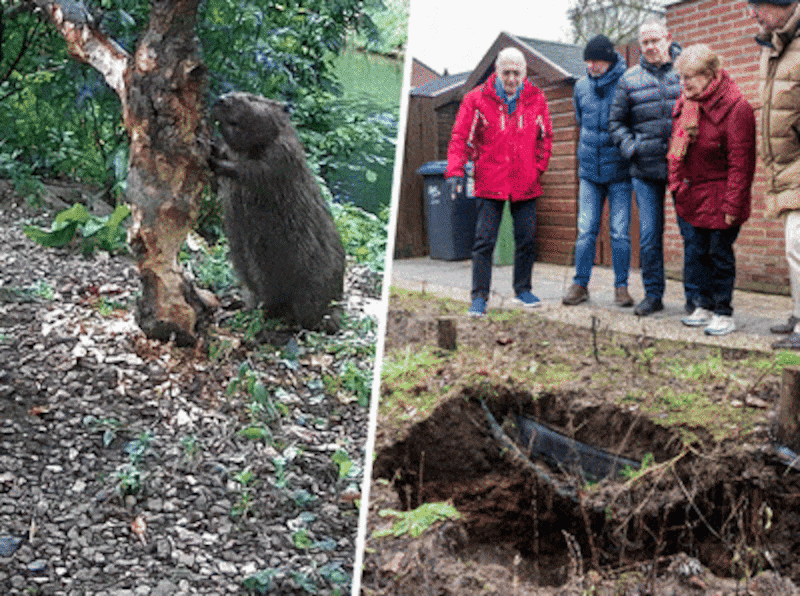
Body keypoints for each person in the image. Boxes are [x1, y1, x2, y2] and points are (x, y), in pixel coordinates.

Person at [445, 46, 553, 317]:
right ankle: (479, 297)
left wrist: (538, 167)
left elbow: (545, 137)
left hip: (525, 181)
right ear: (497, 72)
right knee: (484, 241)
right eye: (506, 72)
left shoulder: (536, 98)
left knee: (527, 239)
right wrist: (456, 171)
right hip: (490, 180)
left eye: (517, 73)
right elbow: (461, 138)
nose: (512, 79)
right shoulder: (476, 99)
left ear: (525, 73)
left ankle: (523, 290)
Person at [667, 44, 756, 336]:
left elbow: (741, 164)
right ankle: (703, 305)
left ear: (710, 75)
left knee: (720, 255)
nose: (685, 83)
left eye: (691, 77)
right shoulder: (689, 103)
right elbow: (676, 150)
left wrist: (733, 205)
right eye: (682, 78)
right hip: (694, 196)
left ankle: (723, 312)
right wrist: (677, 187)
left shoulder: (736, 107)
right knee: (697, 254)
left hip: (722, 195)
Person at [609, 19, 683, 317]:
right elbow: (616, 123)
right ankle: (653, 295)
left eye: (655, 40)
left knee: (690, 234)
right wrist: (632, 148)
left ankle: (695, 298)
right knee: (650, 236)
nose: (650, 47)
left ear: (667, 39)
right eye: (645, 43)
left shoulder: (684, 72)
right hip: (645, 169)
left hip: (683, 168)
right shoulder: (629, 79)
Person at [563, 35, 634, 308]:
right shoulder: (580, 87)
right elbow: (581, 121)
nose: (591, 65)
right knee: (585, 231)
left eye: (596, 60)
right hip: (589, 172)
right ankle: (580, 285)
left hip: (619, 173)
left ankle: (621, 287)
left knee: (619, 232)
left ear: (609, 59)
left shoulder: (626, 83)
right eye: (588, 61)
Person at [747, 0, 800, 349]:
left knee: (798, 245)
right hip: (784, 167)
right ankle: (798, 313)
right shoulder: (775, 46)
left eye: (759, 6)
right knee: (793, 247)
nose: (754, 15)